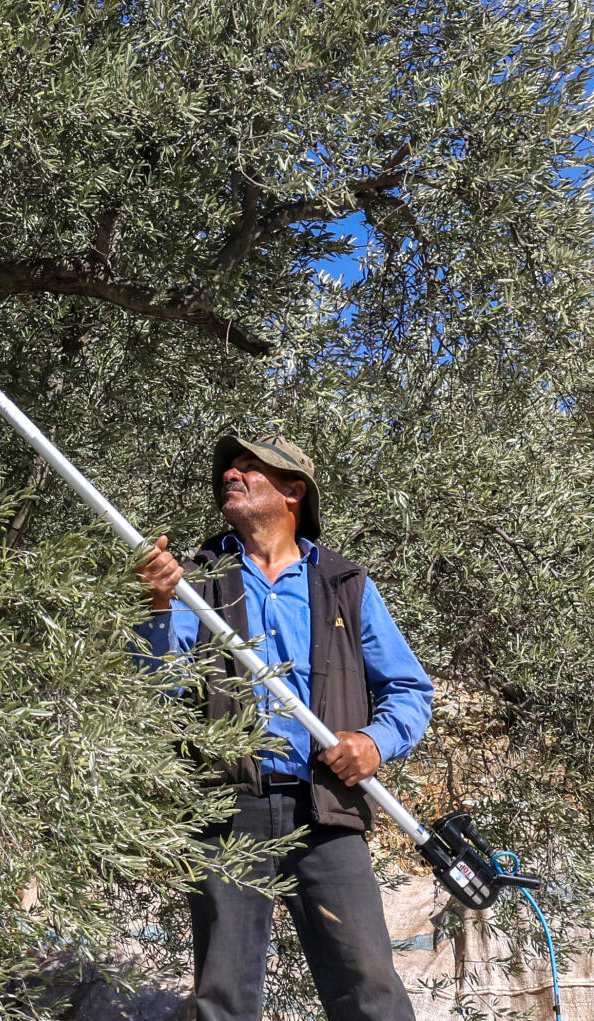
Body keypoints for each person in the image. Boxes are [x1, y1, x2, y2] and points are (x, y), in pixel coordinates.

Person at [134, 435, 435, 1021]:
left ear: (293, 491)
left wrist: (373, 743)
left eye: (251, 468)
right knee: (223, 996)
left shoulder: (344, 585)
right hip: (227, 810)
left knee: (369, 986)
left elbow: (409, 690)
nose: (232, 474)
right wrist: (157, 609)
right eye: (229, 468)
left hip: (327, 810)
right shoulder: (193, 581)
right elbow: (156, 695)